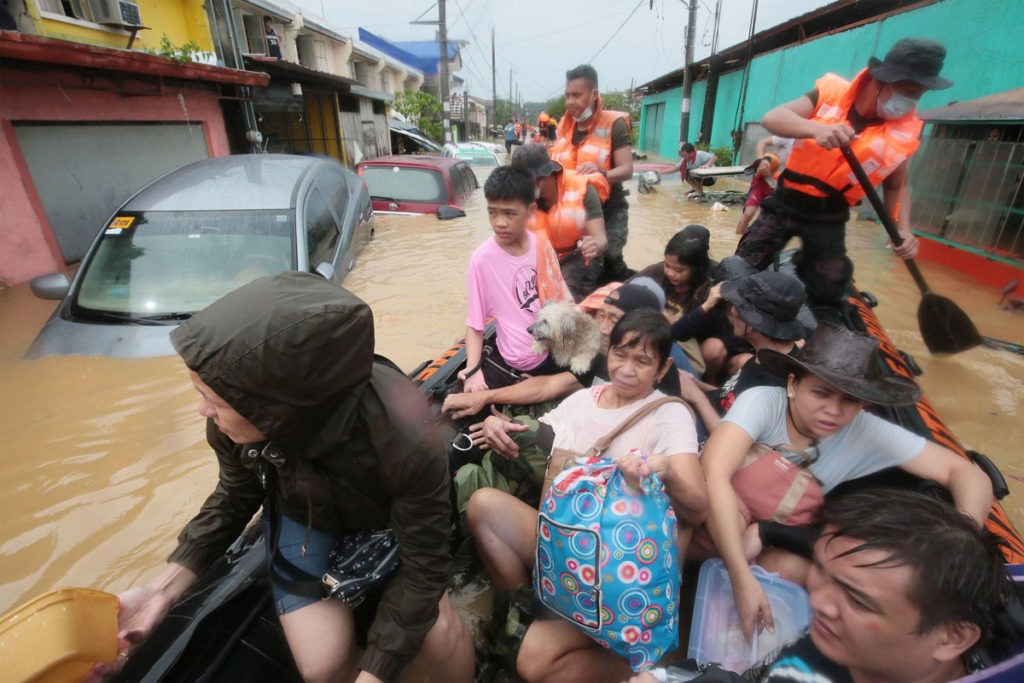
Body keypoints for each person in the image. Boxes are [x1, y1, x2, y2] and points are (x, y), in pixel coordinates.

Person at [89, 272, 473, 683]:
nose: (204, 412)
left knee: (439, 635)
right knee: (319, 667)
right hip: (305, 516)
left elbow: (426, 566)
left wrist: (376, 671)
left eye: (212, 400)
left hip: (389, 518)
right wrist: (160, 591)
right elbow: (236, 495)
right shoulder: (231, 422)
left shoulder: (404, 438)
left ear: (277, 406)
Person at [701, 322, 995, 645]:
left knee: (804, 572)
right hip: (712, 525)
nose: (833, 411)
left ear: (863, 404)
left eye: (850, 400)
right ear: (793, 385)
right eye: (821, 393)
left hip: (768, 543)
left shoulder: (864, 430)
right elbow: (714, 473)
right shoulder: (763, 403)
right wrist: (741, 579)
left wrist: (963, 533)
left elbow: (967, 474)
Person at [467, 311, 706, 682]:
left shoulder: (669, 416)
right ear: (607, 352)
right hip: (563, 547)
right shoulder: (582, 401)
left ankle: (646, 667)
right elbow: (533, 436)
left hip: (620, 573)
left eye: (642, 361)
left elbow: (696, 507)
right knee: (482, 506)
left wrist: (666, 469)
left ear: (662, 369)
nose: (627, 369)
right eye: (620, 355)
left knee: (532, 665)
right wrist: (496, 424)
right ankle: (525, 605)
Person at [633, 489, 1011, 683]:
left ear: (953, 637)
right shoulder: (844, 642)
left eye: (859, 599)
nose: (821, 602)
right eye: (824, 574)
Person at [735, 38, 953, 305]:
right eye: (906, 90)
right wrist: (817, 130)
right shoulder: (829, 94)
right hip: (786, 201)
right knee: (741, 266)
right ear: (880, 79)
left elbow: (897, 186)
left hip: (830, 215)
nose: (909, 102)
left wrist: (904, 230)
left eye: (917, 95)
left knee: (829, 290)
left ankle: (806, 293)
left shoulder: (902, 132)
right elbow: (773, 119)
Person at [443, 283, 683, 424]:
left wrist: (528, 432)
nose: (603, 328)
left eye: (615, 319)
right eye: (603, 315)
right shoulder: (601, 353)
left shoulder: (657, 378)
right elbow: (551, 386)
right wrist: (484, 397)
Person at [461, 165, 573, 393]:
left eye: (510, 214)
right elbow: (475, 323)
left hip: (556, 342)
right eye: (492, 212)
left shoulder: (541, 243)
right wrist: (473, 369)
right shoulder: (482, 261)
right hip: (524, 356)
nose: (500, 222)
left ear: (531, 211)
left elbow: (559, 294)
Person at [680, 270, 807, 435]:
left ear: (753, 323)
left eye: (739, 308)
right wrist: (696, 384)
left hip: (711, 432)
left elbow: (728, 441)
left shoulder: (774, 383)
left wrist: (697, 396)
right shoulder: (765, 355)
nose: (732, 311)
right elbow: (728, 397)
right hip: (710, 405)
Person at [551, 64, 635, 282]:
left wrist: (602, 173)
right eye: (568, 95)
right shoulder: (563, 127)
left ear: (594, 94)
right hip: (574, 208)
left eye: (577, 95)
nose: (571, 102)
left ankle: (621, 289)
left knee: (611, 255)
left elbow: (627, 169)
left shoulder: (613, 125)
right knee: (566, 259)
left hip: (608, 206)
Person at [511, 143, 609, 301]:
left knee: (563, 297)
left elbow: (601, 239)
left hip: (579, 258)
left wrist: (594, 245)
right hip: (543, 260)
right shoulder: (521, 200)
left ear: (541, 178)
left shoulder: (583, 188)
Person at [736, 153, 780, 235]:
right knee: (748, 214)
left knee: (769, 219)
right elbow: (761, 143)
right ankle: (737, 239)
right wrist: (762, 161)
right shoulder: (781, 141)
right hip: (760, 183)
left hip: (777, 186)